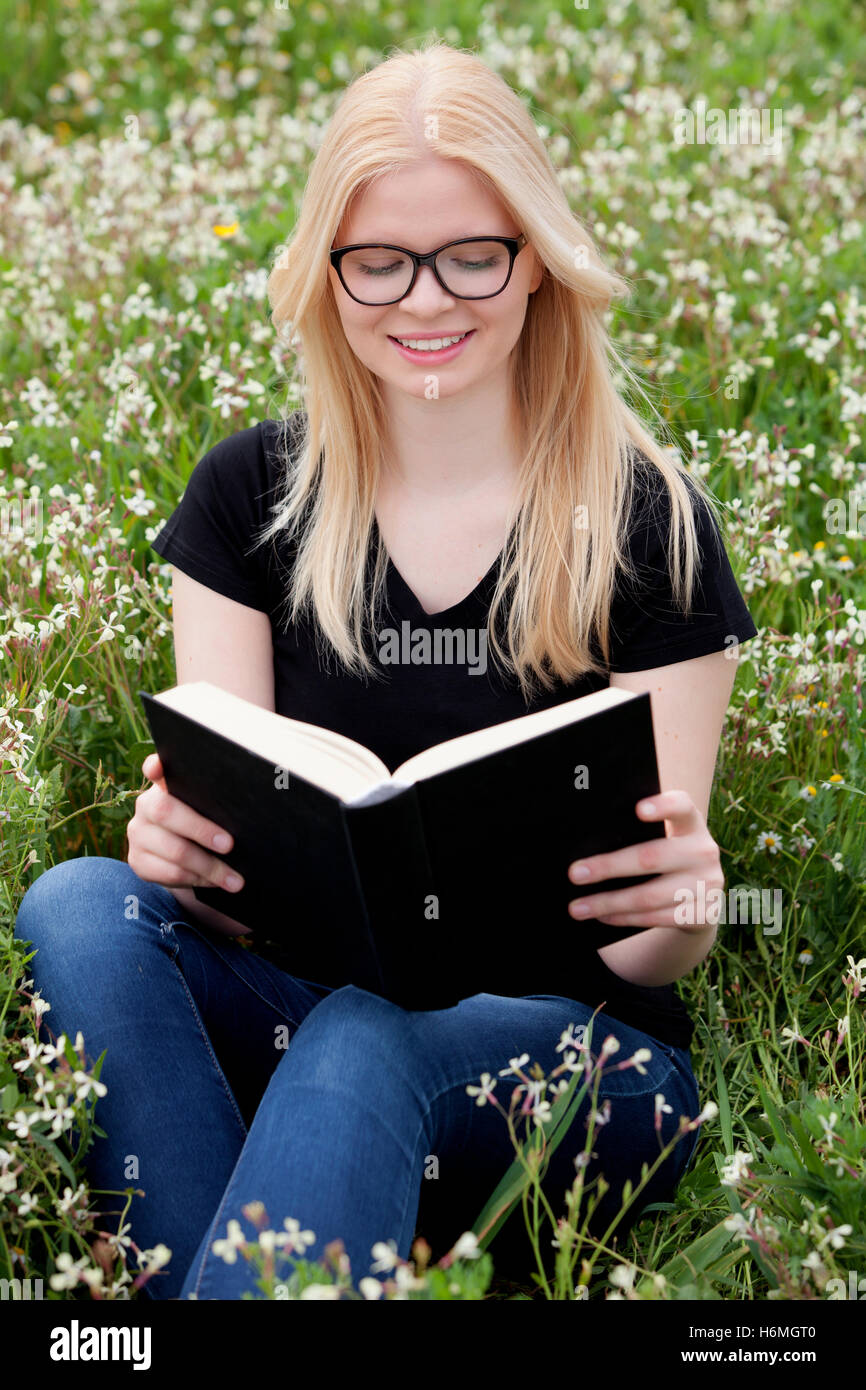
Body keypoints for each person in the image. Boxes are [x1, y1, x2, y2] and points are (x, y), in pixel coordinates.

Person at [14, 40, 757, 1300]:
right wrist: (181, 857)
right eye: (379, 262)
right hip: (304, 1012)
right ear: (326, 274)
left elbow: (647, 952)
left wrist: (685, 912)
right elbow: (233, 884)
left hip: (580, 1068)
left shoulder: (647, 522)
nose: (426, 300)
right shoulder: (247, 495)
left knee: (374, 1031)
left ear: (537, 266)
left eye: (474, 253)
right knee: (83, 904)